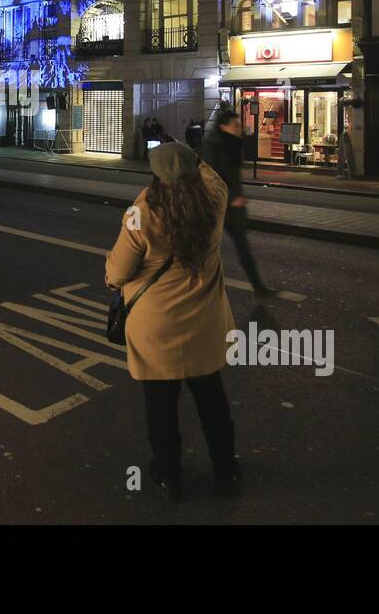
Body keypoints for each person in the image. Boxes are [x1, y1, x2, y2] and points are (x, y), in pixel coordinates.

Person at [106, 141, 240, 502]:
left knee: (161, 407)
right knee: (212, 402)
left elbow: (118, 273)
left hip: (157, 327)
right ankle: (226, 472)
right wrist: (190, 156)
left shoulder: (143, 211)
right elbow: (211, 174)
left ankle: (170, 476)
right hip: (204, 322)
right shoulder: (215, 199)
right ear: (195, 170)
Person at [200, 109, 276, 298]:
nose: (239, 128)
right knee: (206, 249)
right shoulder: (213, 146)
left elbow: (234, 176)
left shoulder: (233, 144)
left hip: (234, 209)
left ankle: (259, 287)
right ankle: (195, 287)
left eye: (239, 125)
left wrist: (237, 196)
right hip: (216, 207)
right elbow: (212, 176)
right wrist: (233, 196)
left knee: (243, 246)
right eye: (235, 125)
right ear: (223, 126)